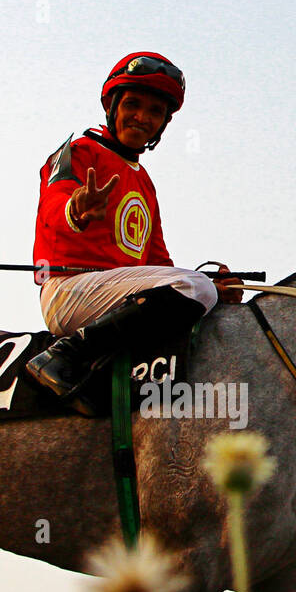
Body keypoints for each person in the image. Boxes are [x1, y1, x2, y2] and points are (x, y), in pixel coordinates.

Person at [27, 52, 240, 415]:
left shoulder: (145, 184)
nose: (142, 117)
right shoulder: (78, 151)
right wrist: (76, 208)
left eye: (155, 112)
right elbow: (54, 205)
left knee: (201, 291)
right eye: (134, 104)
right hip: (71, 292)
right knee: (195, 287)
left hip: (119, 296)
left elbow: (158, 263)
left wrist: (215, 292)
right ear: (112, 106)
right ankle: (65, 354)